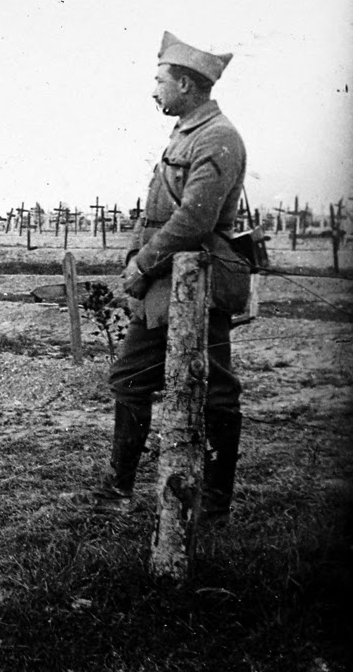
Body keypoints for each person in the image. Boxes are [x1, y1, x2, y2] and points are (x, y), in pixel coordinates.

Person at [96, 31, 250, 518]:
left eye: (160, 80)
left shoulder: (218, 137)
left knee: (215, 387)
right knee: (131, 376)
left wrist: (142, 264)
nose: (154, 89)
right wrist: (132, 257)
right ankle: (118, 489)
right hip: (167, 279)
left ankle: (214, 504)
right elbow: (157, 213)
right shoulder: (186, 132)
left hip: (196, 277)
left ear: (185, 83)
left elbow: (194, 221)